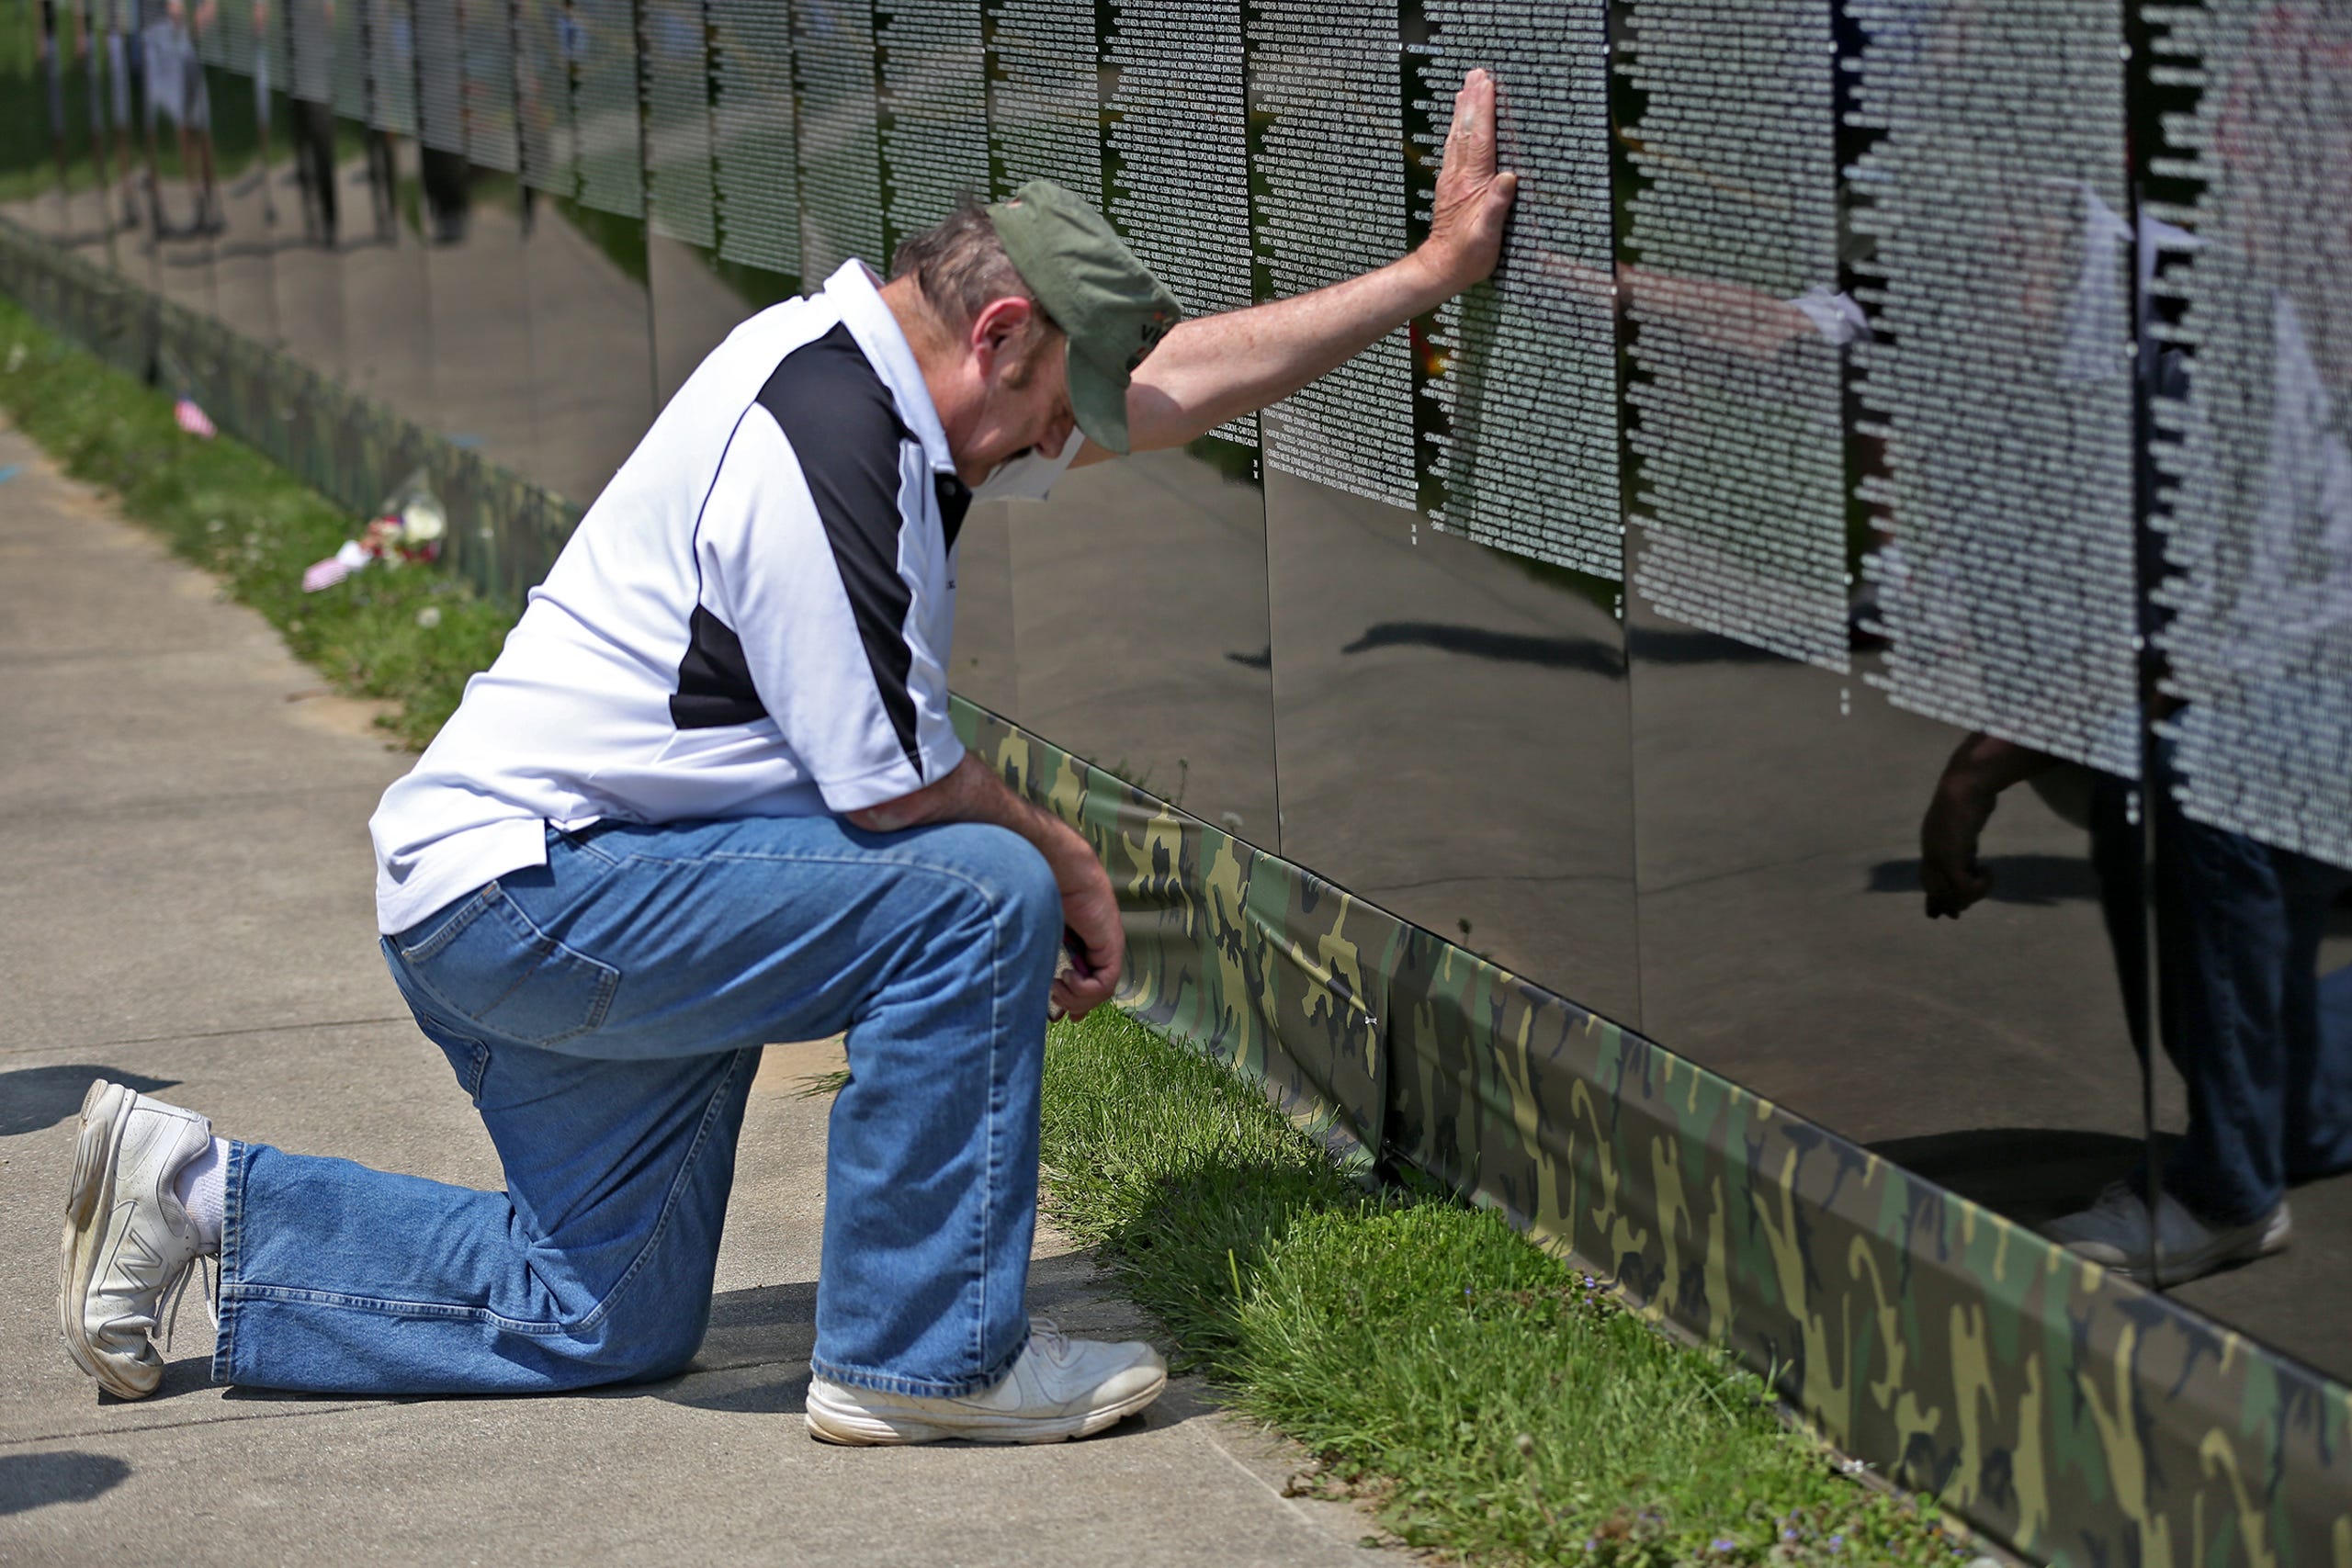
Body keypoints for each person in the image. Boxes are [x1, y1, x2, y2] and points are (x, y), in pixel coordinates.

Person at [58, 72, 1520, 1443]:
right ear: (1001, 330)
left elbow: (1168, 389)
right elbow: (892, 786)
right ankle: (928, 1356)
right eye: (1045, 408)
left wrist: (1428, 277)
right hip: (536, 901)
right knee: (974, 888)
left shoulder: (892, 386)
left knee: (602, 1313)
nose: (1047, 450)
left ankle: (189, 1194)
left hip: (539, 891)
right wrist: (1066, 857)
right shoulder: (824, 440)